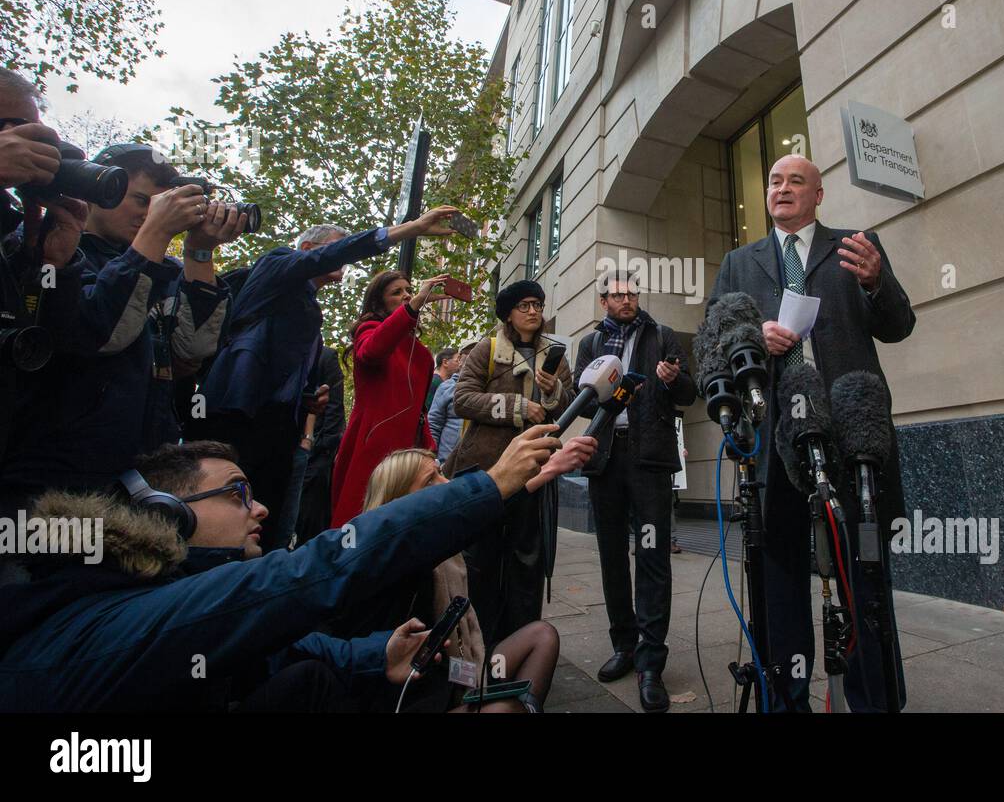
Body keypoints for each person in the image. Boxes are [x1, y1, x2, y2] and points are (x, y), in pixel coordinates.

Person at [0, 427, 596, 712]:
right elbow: (317, 568)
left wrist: (374, 655)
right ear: (166, 514)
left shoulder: (166, 586)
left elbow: (288, 648)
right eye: (237, 494)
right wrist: (488, 484)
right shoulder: (125, 618)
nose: (259, 508)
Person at [707, 153, 915, 713]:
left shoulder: (855, 247)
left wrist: (876, 282)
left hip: (852, 441)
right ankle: (788, 698)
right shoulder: (738, 263)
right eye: (774, 181)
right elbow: (715, 337)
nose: (782, 189)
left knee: (863, 575)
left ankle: (874, 700)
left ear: (818, 195)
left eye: (796, 181)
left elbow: (899, 325)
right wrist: (754, 336)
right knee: (779, 577)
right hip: (776, 443)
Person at [197, 205, 460, 550]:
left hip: (282, 433)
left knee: (271, 530)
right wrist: (411, 229)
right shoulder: (276, 263)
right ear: (307, 251)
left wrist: (306, 398)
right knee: (229, 524)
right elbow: (371, 352)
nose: (343, 256)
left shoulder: (310, 312)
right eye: (339, 247)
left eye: (409, 292)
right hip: (238, 422)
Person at [2, 136, 240, 498]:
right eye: (140, 200)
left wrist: (200, 252)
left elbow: (194, 347)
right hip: (54, 474)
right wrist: (157, 234)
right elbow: (99, 334)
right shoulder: (50, 247)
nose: (148, 214)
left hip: (142, 470)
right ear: (101, 188)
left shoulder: (161, 267)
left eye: (157, 205)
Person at [343, 447, 561, 712]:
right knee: (502, 709)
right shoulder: (391, 569)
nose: (446, 485)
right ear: (398, 503)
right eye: (430, 481)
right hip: (423, 697)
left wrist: (549, 468)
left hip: (463, 669)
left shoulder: (446, 550)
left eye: (441, 473)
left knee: (541, 636)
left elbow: (488, 512)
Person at [573, 270, 696, 712]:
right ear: (603, 300)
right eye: (617, 294)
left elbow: (690, 391)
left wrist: (670, 379)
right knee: (611, 555)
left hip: (649, 460)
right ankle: (623, 645)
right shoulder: (589, 345)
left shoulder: (660, 335)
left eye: (631, 293)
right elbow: (581, 397)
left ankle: (650, 662)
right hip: (605, 458)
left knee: (652, 556)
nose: (626, 299)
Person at [444, 280, 574, 649]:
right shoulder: (486, 348)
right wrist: (517, 408)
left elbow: (564, 408)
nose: (533, 311)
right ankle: (477, 646)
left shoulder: (556, 355)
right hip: (486, 471)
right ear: (508, 313)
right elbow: (463, 400)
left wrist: (552, 392)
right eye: (524, 305)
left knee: (527, 563)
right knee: (480, 561)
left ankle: (518, 648)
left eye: (537, 304)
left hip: (534, 473)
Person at [0, 72, 96, 525]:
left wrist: (51, 265)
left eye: (32, 128)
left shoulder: (16, 231)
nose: (28, 143)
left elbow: (51, 350)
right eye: (11, 125)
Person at [329, 270, 450, 527]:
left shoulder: (419, 349)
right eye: (397, 292)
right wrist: (415, 304)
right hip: (375, 440)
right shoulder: (368, 329)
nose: (406, 295)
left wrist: (427, 445)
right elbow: (371, 352)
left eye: (408, 290)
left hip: (408, 446)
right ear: (378, 301)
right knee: (361, 517)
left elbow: (419, 408)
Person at [294, 345, 345, 543]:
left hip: (317, 453)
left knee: (310, 514)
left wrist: (321, 446)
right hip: (284, 448)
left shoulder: (325, 356)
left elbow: (334, 407)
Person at [426, 341, 476, 462]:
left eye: (477, 353)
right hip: (446, 463)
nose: (472, 357)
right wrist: (431, 459)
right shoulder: (446, 387)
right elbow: (433, 425)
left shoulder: (489, 389)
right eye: (467, 353)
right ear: (459, 359)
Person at [424, 345, 461, 416]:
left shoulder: (443, 382)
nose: (460, 364)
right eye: (457, 361)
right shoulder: (434, 382)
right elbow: (426, 411)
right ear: (445, 362)